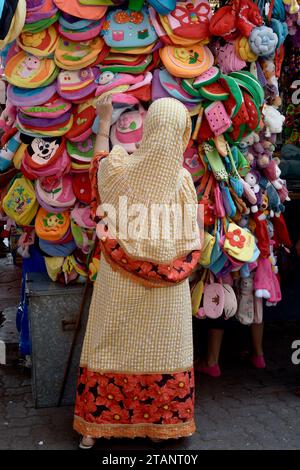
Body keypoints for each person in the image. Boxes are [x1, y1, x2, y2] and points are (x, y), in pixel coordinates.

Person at [73, 97, 202, 449]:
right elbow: (191, 235)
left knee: (108, 345)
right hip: (168, 293)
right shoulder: (183, 181)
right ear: (182, 134)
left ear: (149, 129)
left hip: (119, 283)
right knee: (166, 351)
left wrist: (103, 121)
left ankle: (94, 427)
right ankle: (164, 424)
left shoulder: (119, 169)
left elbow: (97, 165)